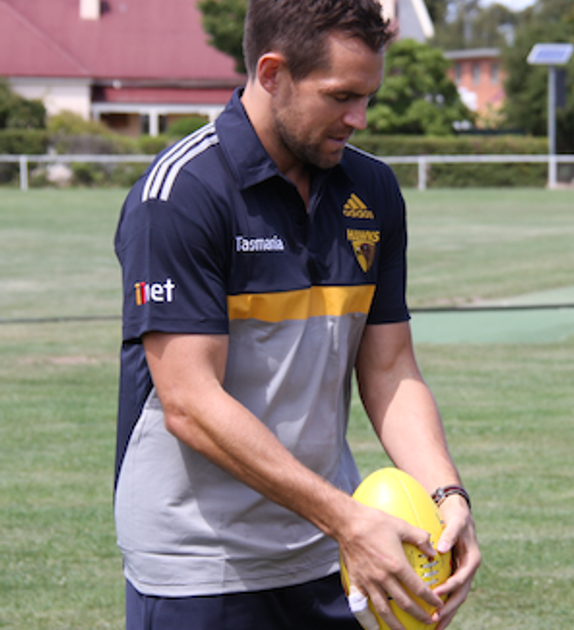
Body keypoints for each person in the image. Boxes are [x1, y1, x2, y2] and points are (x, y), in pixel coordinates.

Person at [112, 1, 479, 628]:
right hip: (202, 567)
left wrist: (447, 495)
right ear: (273, 72)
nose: (358, 118)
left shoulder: (374, 192)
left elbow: (391, 369)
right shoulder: (183, 193)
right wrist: (346, 518)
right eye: (341, 96)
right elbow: (190, 402)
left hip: (332, 553)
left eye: (368, 97)